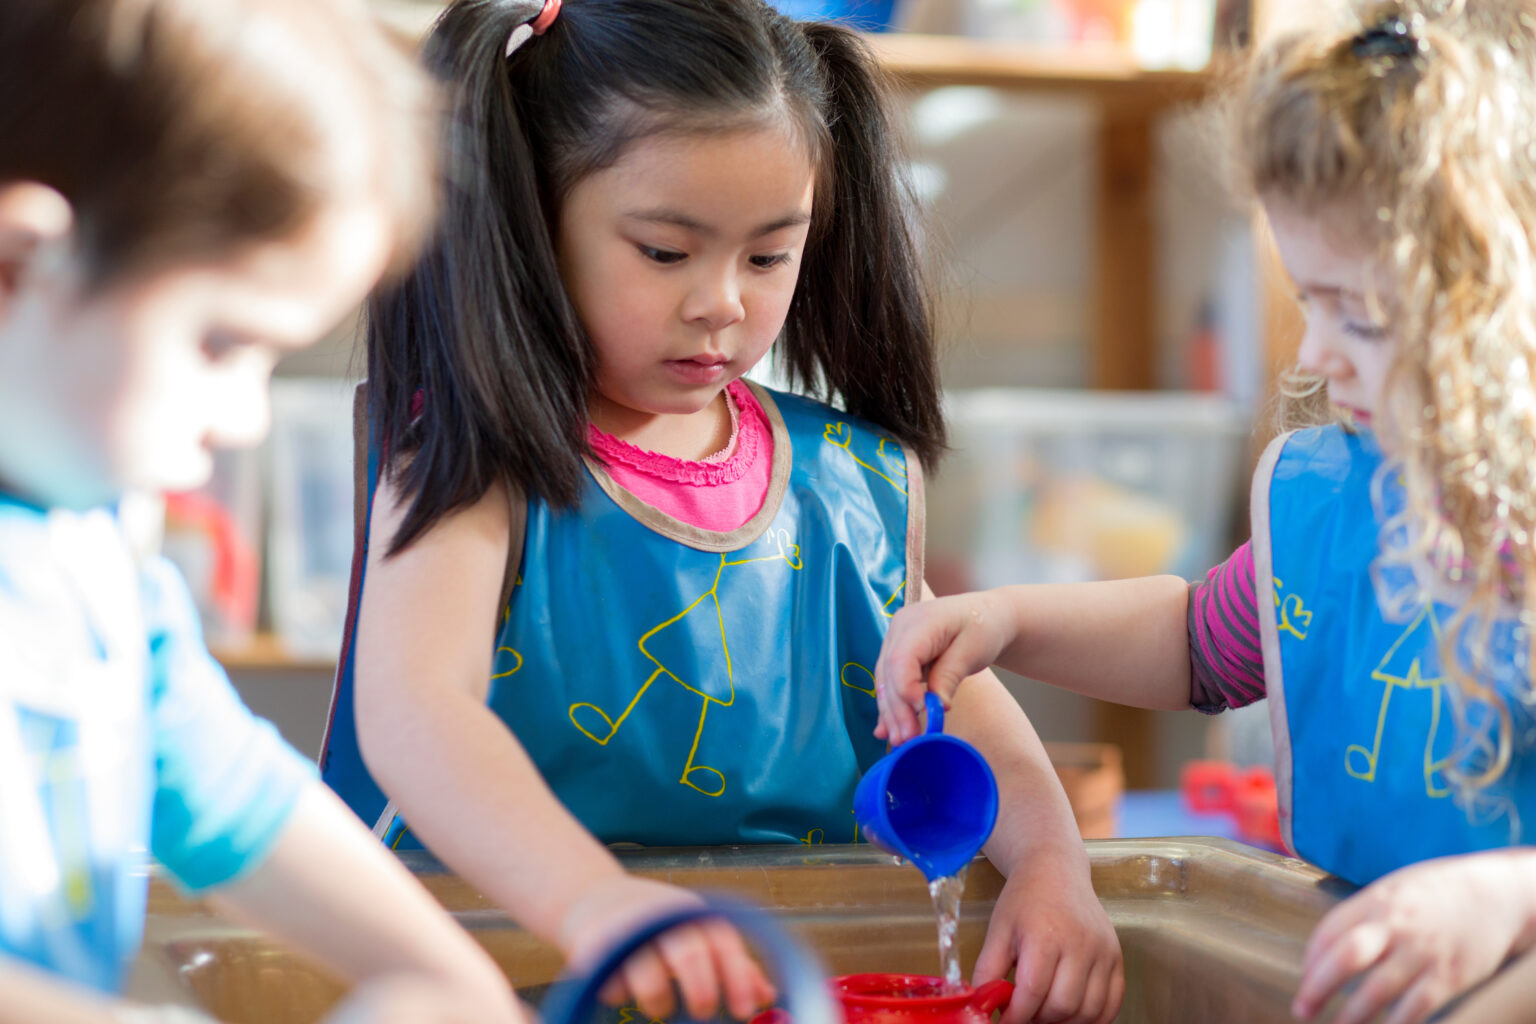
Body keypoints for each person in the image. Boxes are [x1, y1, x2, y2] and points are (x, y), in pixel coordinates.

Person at [317, 1, 1124, 1022]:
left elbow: (959, 700)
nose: (723, 304)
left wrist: (1054, 866)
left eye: (767, 255)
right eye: (665, 252)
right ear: (533, 219)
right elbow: (415, 711)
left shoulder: (844, 488)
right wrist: (596, 900)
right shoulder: (476, 458)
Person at [873, 3, 1536, 1024]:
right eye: (1307, 300)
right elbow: (1201, 642)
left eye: (1361, 315)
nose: (1313, 354)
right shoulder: (1331, 491)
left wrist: (1507, 897)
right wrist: (1009, 618)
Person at [0, 0, 527, 1021]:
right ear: (17, 265)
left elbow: (244, 805)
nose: (245, 418)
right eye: (221, 343)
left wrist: (449, 986)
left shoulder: (98, 571)